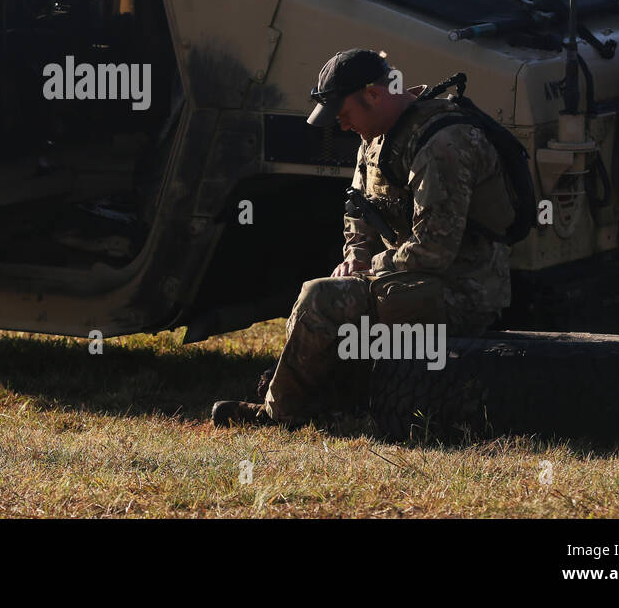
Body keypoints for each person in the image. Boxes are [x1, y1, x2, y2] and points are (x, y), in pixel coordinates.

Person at [211, 48, 515, 428]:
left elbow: (434, 250)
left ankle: (283, 414)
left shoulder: (443, 144)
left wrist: (370, 267)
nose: (342, 126)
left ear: (373, 95)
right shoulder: (376, 136)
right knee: (330, 291)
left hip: (464, 289)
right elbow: (359, 210)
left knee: (320, 298)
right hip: (411, 279)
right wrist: (354, 256)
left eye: (345, 115)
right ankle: (329, 403)